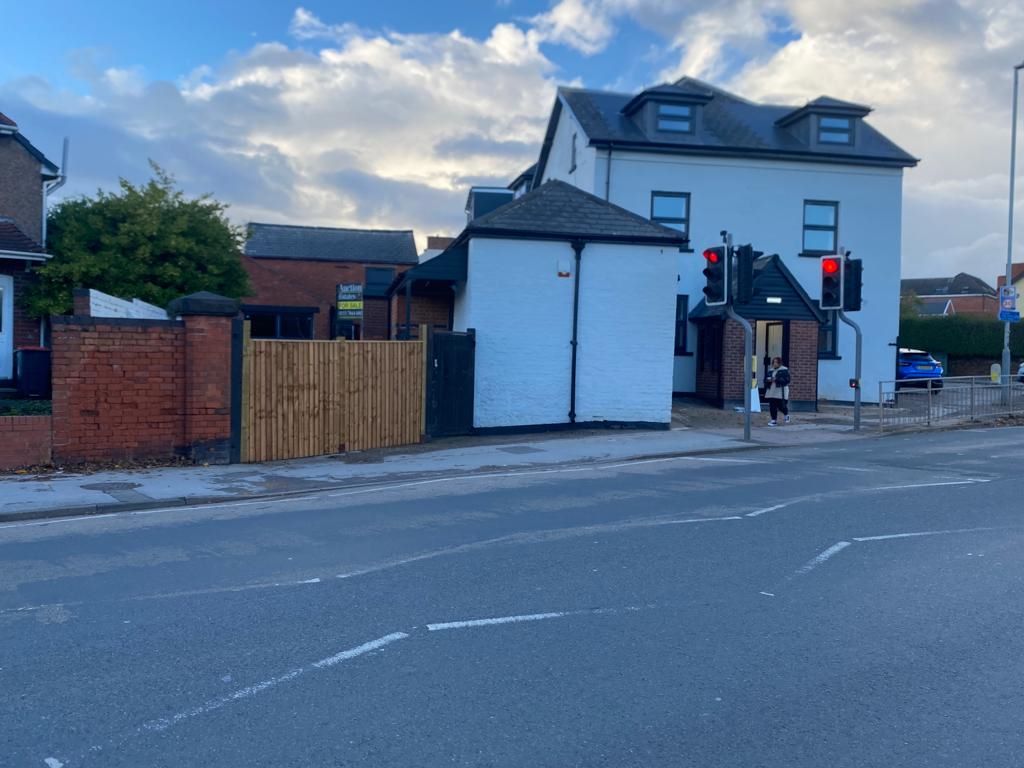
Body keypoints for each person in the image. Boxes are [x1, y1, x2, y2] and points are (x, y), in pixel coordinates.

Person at [764, 357, 791, 426]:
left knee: (781, 405)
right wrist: (768, 380)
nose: (774, 364)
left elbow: (787, 380)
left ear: (779, 363)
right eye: (774, 362)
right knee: (772, 406)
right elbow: (765, 379)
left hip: (780, 390)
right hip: (771, 390)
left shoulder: (784, 370)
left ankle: (786, 414)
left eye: (776, 362)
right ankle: (773, 420)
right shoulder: (770, 370)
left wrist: (776, 379)